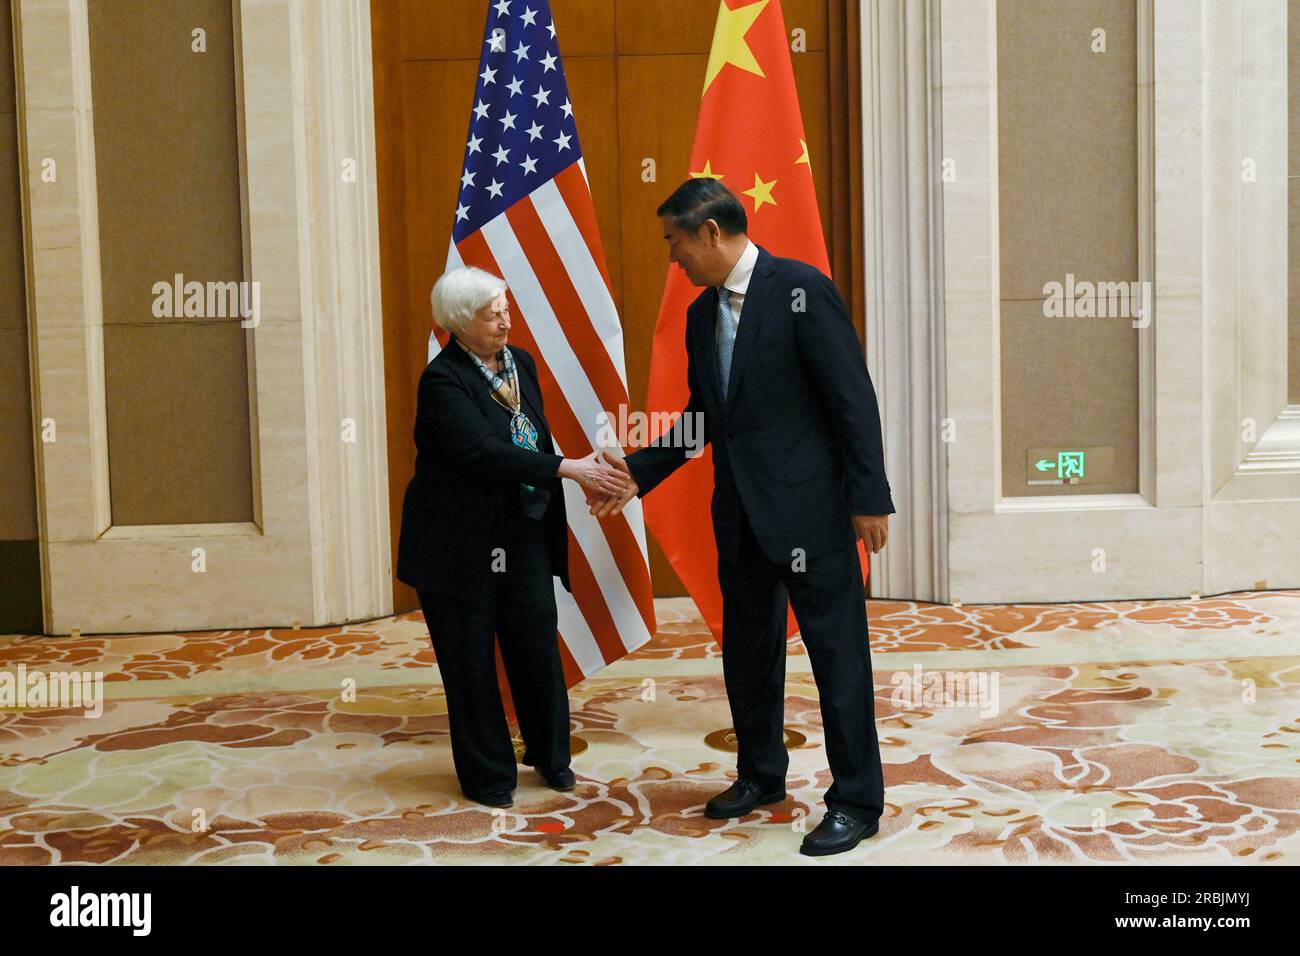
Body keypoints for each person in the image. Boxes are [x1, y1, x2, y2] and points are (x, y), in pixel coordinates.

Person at [590, 179, 895, 856]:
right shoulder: (702, 316)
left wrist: (869, 496)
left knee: (837, 659)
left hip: (812, 513)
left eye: (676, 242)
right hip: (740, 515)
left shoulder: (801, 289)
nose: (673, 258)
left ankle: (856, 802)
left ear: (710, 233)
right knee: (748, 655)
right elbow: (702, 416)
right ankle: (761, 775)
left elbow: (852, 396)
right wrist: (635, 474)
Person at [397, 266, 630, 808]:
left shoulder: (519, 363)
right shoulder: (442, 382)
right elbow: (484, 452)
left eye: (505, 308)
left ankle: (552, 758)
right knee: (471, 662)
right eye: (492, 314)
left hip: (519, 533)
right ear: (458, 322)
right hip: (459, 545)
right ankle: (488, 777)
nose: (506, 321)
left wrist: (579, 474)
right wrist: (570, 469)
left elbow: (530, 437)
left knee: (535, 649)